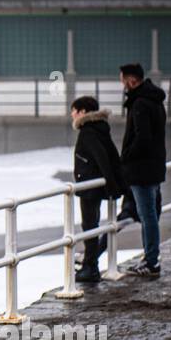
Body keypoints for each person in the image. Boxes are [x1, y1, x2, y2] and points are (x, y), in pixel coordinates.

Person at [118, 63, 167, 279]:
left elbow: (142, 138)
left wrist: (126, 156)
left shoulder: (139, 104)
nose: (122, 85)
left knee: (148, 216)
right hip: (154, 167)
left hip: (142, 170)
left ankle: (151, 260)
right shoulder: (155, 101)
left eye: (122, 80)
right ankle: (150, 257)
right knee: (151, 214)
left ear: (131, 81)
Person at [70, 96, 125, 284]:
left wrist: (110, 182)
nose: (72, 114)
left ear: (84, 112)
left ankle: (90, 267)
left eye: (75, 110)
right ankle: (90, 264)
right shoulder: (100, 128)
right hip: (95, 184)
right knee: (91, 225)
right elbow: (111, 155)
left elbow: (101, 157)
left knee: (89, 226)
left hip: (89, 186)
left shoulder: (88, 131)